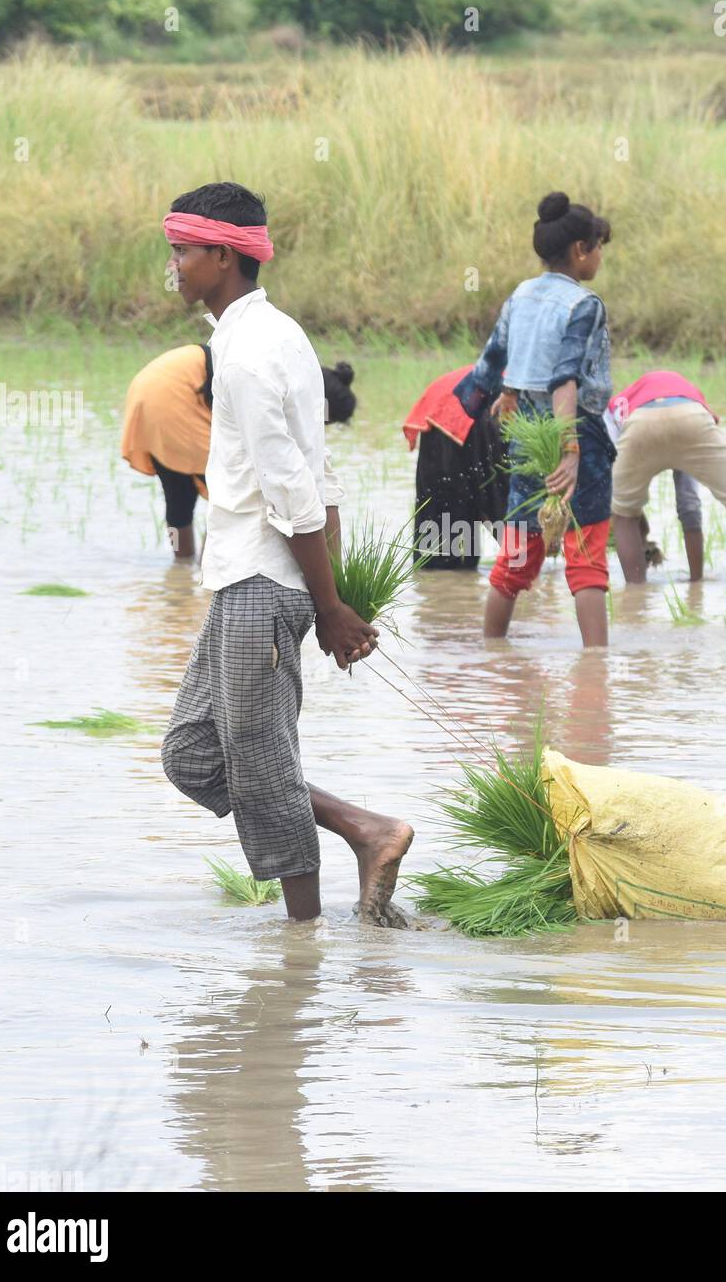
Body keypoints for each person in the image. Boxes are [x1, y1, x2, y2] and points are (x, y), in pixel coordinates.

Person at [157, 181, 412, 926]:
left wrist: (327, 605)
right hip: (249, 578)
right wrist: (322, 593)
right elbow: (317, 473)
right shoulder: (269, 335)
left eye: (182, 251)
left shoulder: (246, 354)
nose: (172, 265)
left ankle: (301, 944)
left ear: (224, 254)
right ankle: (362, 828)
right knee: (193, 756)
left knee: (263, 762)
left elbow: (291, 484)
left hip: (266, 582)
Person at [455, 191, 615, 647]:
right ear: (580, 251)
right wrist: (570, 450)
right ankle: (595, 671)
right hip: (574, 435)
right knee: (586, 561)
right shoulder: (584, 305)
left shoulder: (520, 296)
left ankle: (492, 651)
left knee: (517, 557)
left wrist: (502, 394)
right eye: (597, 247)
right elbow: (565, 378)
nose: (600, 257)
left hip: (526, 436)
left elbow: (491, 361)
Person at [122, 343, 357, 559]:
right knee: (231, 494)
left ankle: (180, 572)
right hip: (177, 398)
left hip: (146, 394)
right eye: (324, 420)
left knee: (178, 497)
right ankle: (210, 569)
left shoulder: (276, 368)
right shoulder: (274, 380)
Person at [607, 369, 726, 588]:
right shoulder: (692, 396)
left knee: (624, 516)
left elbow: (609, 466)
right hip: (691, 417)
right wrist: (696, 579)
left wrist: (628, 512)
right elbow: (689, 504)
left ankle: (635, 593)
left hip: (638, 421)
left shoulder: (619, 403)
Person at [402, 365, 508, 569]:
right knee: (515, 527)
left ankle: (447, 588)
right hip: (469, 408)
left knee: (442, 537)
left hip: (445, 405)